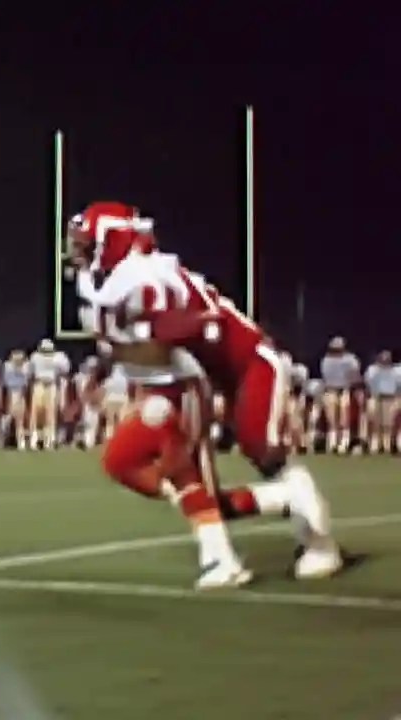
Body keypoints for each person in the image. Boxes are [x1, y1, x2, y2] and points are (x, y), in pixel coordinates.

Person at [69, 200, 341, 587]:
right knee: (153, 474)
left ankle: (316, 539)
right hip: (201, 374)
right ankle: (280, 501)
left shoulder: (147, 280)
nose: (78, 250)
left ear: (112, 241)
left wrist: (138, 347)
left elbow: (182, 334)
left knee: (259, 446)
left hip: (246, 362)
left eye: (85, 242)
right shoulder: (122, 281)